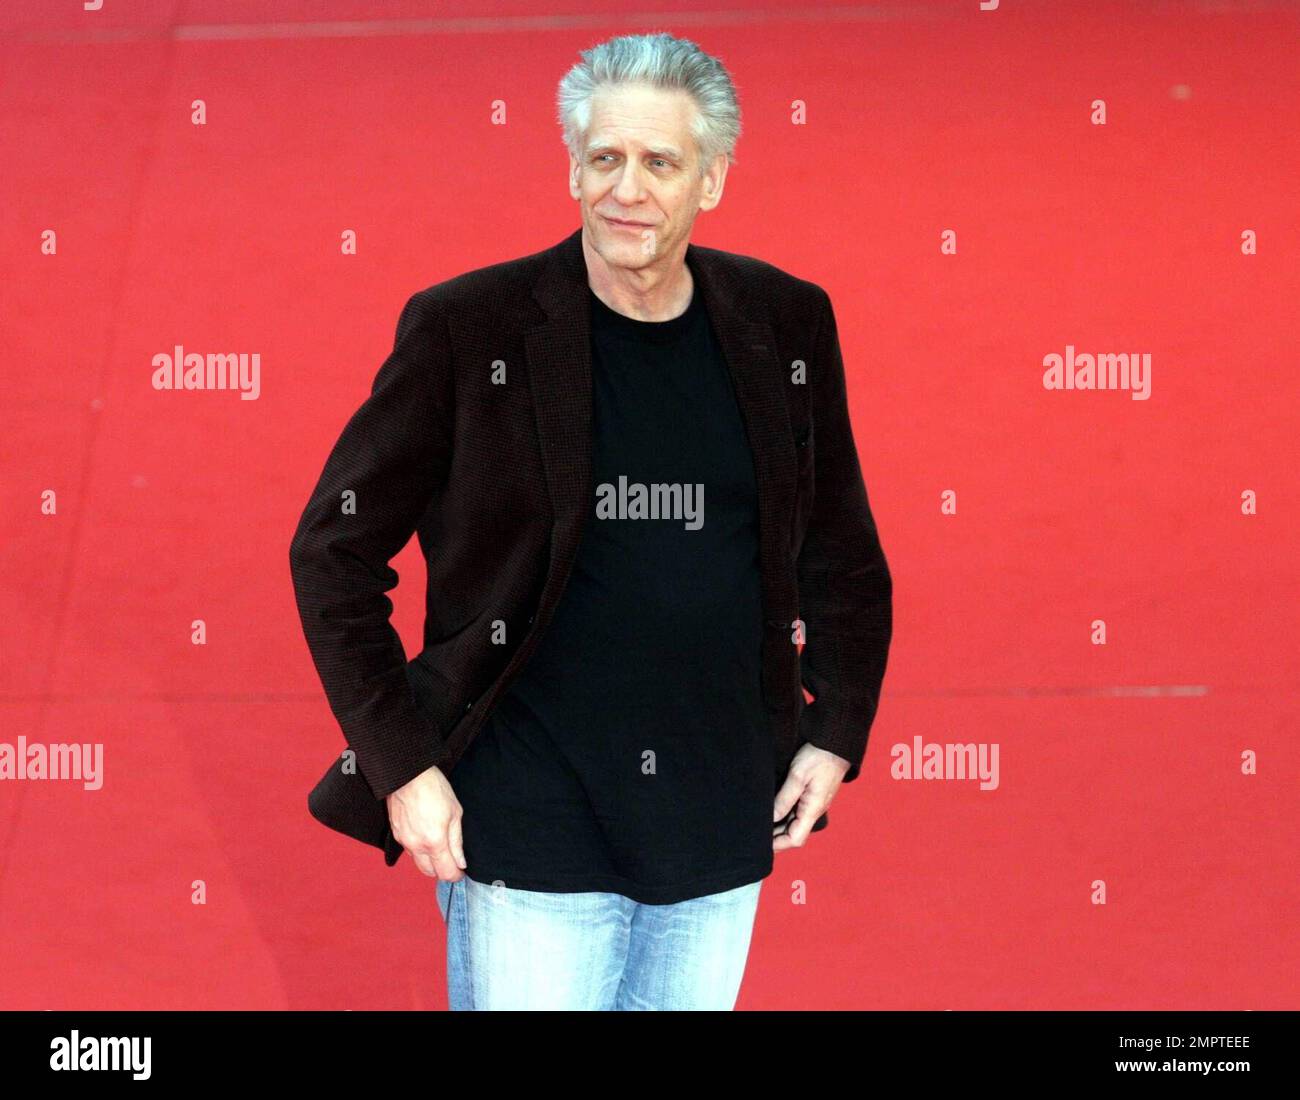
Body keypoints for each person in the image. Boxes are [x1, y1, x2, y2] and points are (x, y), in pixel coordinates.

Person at [288, 31, 892, 1010]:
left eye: (661, 162)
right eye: (605, 158)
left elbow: (840, 547)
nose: (628, 189)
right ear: (572, 166)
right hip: (529, 819)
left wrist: (836, 728)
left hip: (716, 814)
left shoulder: (784, 322)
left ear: (713, 181)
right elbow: (333, 548)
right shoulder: (467, 329)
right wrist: (403, 765)